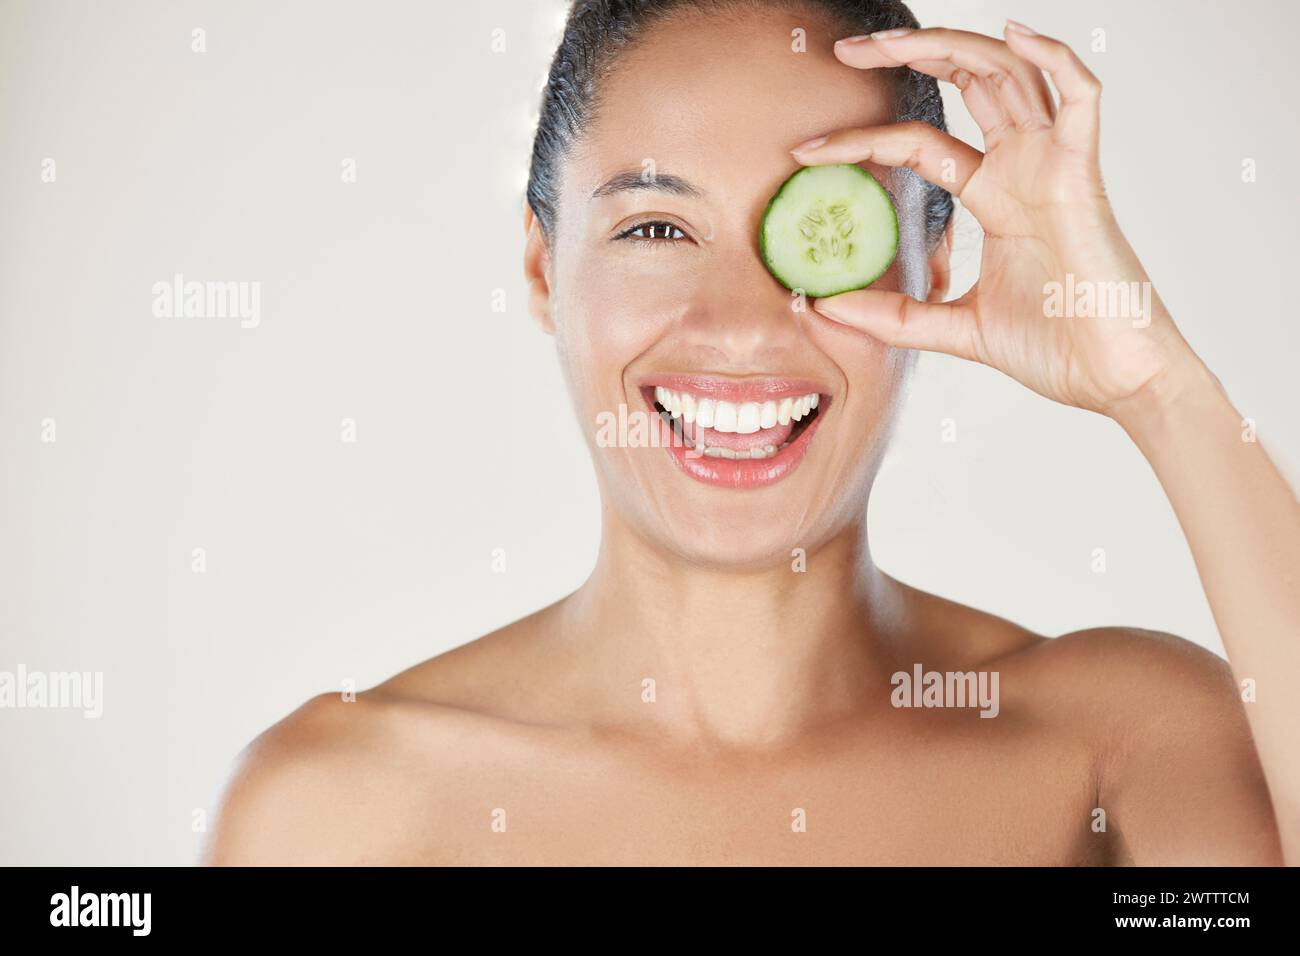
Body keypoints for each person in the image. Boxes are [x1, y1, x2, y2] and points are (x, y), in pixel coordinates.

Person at [205, 0, 1297, 865]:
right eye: (656, 226)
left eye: (823, 224)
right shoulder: (338, 807)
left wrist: (1158, 385)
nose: (739, 324)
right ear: (542, 267)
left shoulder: (1120, 741)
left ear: (939, 259)